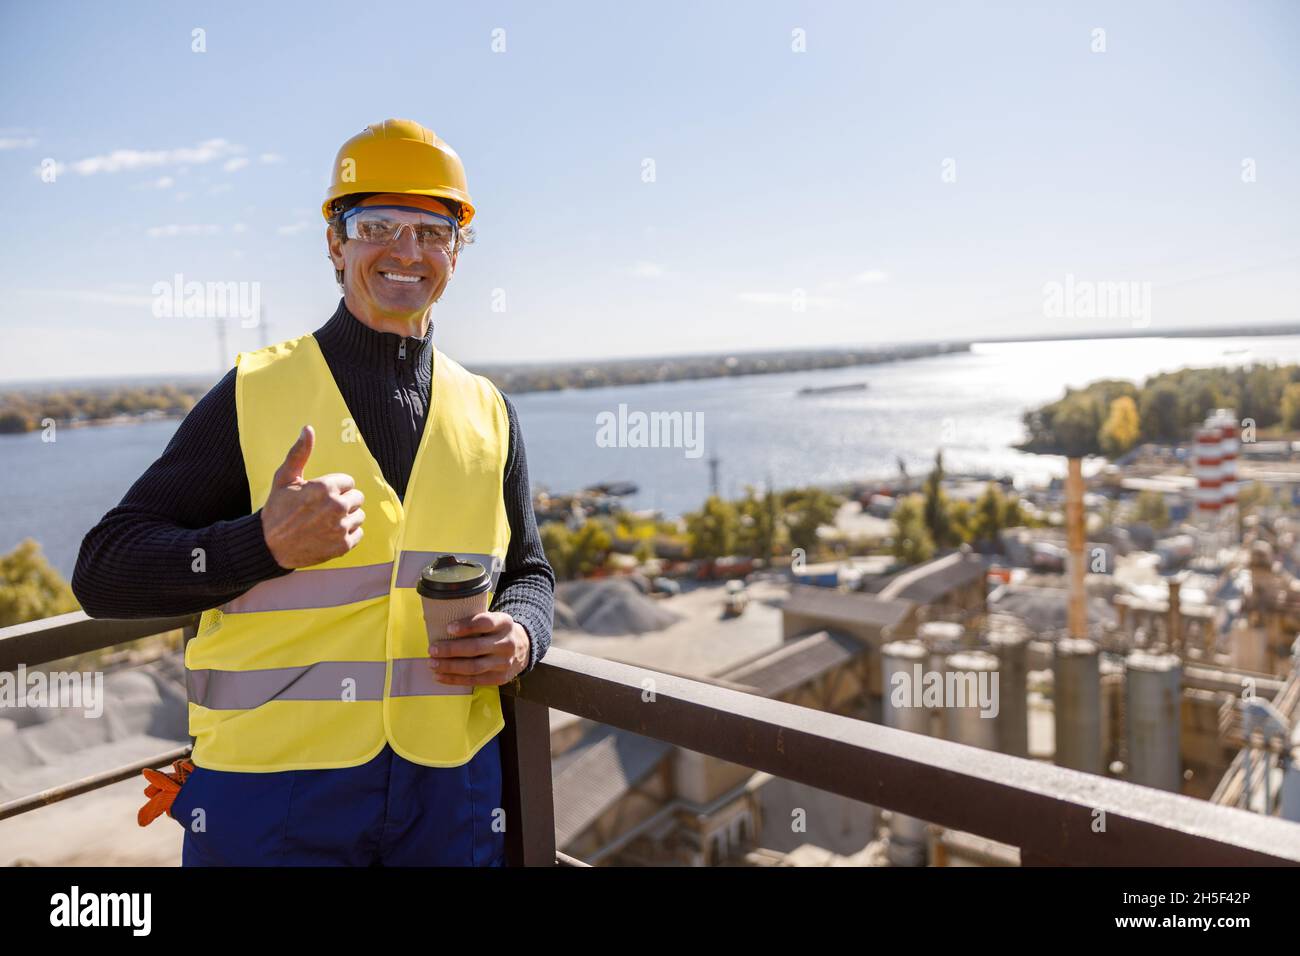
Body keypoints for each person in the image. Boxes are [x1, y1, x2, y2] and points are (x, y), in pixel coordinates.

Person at [72, 118, 555, 866]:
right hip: (272, 793)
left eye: (431, 230)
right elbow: (103, 569)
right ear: (335, 242)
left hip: (449, 787)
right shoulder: (257, 392)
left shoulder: (490, 413)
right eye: (377, 226)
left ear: (457, 250)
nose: (406, 251)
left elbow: (530, 572)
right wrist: (258, 544)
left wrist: (524, 633)